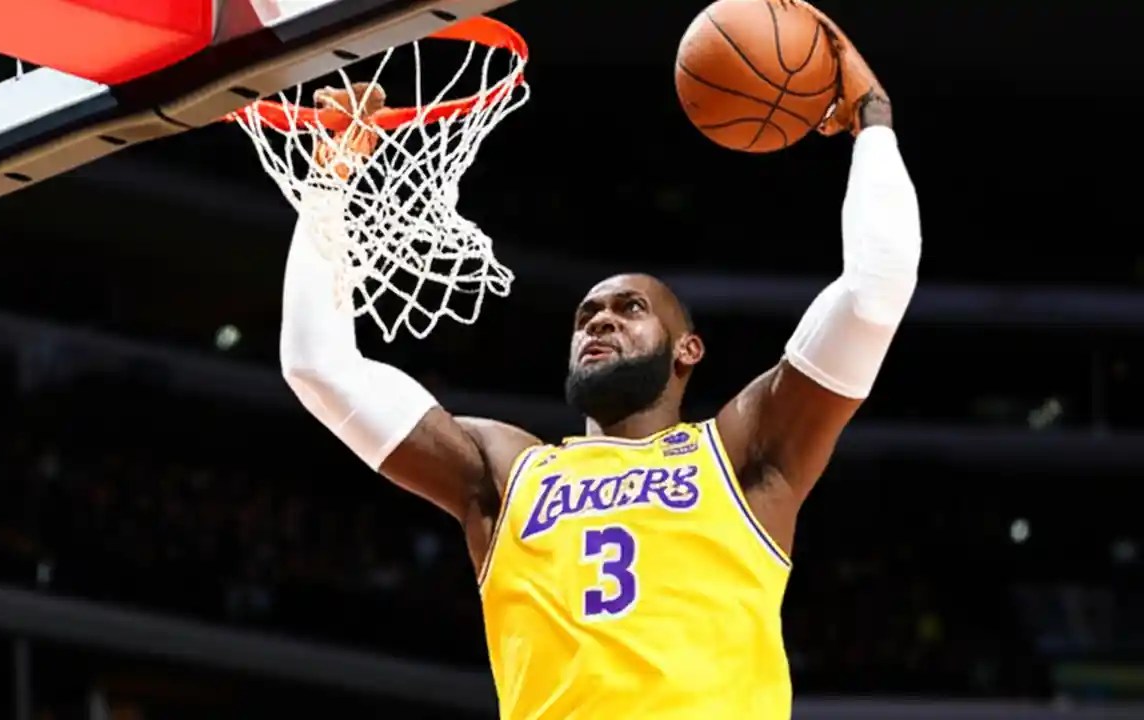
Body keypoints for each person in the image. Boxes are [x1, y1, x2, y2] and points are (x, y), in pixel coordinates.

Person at [276, 3, 920, 717]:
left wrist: (872, 120)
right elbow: (318, 366)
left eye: (629, 309)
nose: (600, 320)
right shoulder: (505, 472)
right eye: (586, 315)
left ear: (689, 351)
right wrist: (331, 180)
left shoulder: (743, 453)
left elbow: (873, 291)